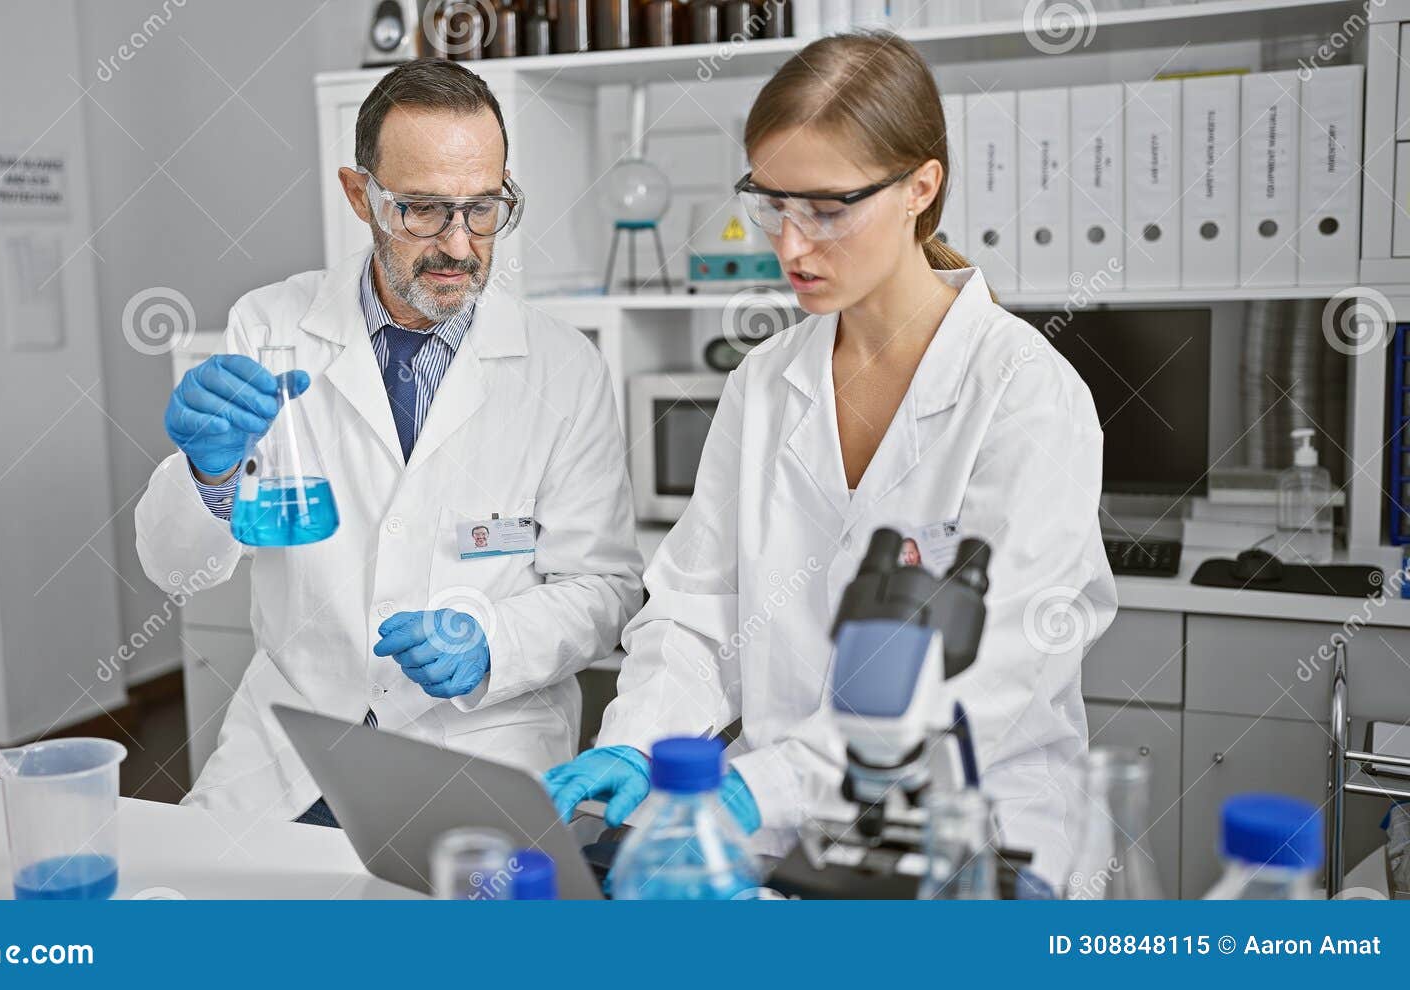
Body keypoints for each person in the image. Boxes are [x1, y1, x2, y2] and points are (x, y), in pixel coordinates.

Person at [545, 32, 1116, 882]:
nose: (790, 246)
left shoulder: (1028, 393)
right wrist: (639, 743)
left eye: (828, 208)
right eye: (772, 203)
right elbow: (700, 609)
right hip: (785, 837)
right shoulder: (765, 383)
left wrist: (761, 787)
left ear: (922, 187)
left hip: (974, 836)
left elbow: (987, 678)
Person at [137, 58, 642, 825]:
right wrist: (207, 471)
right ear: (360, 195)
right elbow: (179, 570)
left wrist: (492, 640)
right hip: (295, 746)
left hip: (484, 742)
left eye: (483, 209)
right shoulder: (270, 328)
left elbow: (605, 589)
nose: (460, 245)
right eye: (422, 211)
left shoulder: (564, 367)